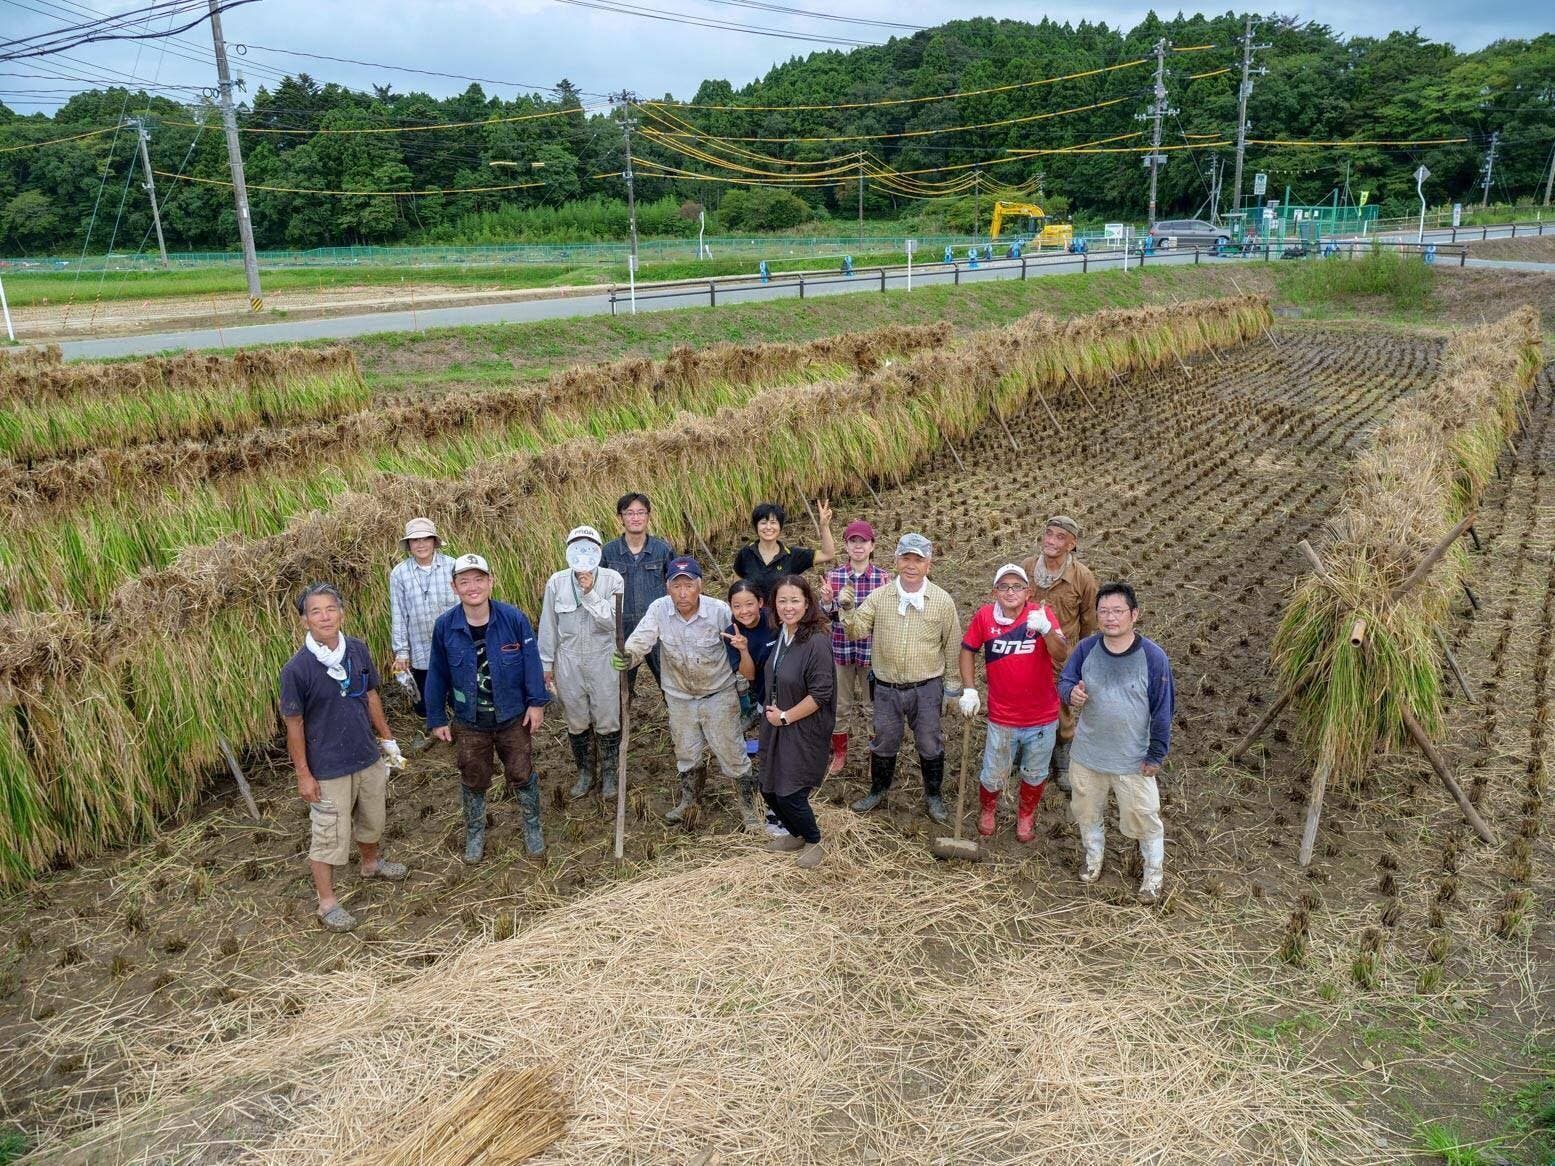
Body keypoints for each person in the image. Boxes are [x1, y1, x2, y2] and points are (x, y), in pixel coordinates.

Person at [280, 583, 408, 934]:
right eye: (315, 611)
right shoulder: (298, 669)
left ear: (342, 612)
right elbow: (295, 725)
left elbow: (370, 695)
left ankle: (371, 863)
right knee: (328, 836)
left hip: (366, 756)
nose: (324, 616)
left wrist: (387, 739)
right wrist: (304, 775)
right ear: (304, 620)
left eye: (330, 609)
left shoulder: (357, 650)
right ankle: (327, 902)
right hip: (328, 768)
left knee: (373, 818)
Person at [612, 555, 759, 829]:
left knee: (732, 754)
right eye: (676, 586)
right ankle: (689, 802)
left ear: (699, 585)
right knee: (687, 753)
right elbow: (641, 640)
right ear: (667, 587)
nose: (682, 593)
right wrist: (628, 655)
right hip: (679, 697)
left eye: (688, 586)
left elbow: (741, 646)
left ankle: (749, 808)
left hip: (718, 694)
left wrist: (744, 691)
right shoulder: (659, 609)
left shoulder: (719, 612)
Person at [425, 553, 549, 864]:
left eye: (479, 579)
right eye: (464, 582)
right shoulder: (445, 627)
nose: (472, 587)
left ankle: (532, 828)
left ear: (490, 582)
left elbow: (532, 664)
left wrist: (536, 703)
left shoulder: (513, 620)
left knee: (521, 772)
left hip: (512, 716)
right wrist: (437, 717)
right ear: (455, 588)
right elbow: (437, 672)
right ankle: (475, 832)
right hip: (470, 721)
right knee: (473, 776)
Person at [1058, 581, 1176, 903]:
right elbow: (1066, 680)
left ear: (1134, 615)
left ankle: (1153, 877)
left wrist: (1156, 754)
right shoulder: (1086, 649)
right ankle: (1092, 859)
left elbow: (1163, 711)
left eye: (1118, 611)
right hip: (1087, 756)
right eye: (1104, 612)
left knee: (1145, 819)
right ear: (1097, 616)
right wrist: (1072, 693)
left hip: (1132, 761)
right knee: (1086, 812)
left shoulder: (1153, 658)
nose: (1110, 618)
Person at [836, 532, 963, 823]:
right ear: (895, 561)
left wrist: (954, 688)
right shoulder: (879, 598)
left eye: (918, 559)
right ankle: (878, 790)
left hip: (927, 688)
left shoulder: (942, 602)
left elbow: (953, 645)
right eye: (906, 558)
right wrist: (846, 609)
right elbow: (857, 631)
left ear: (928, 565)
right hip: (886, 689)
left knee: (930, 743)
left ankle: (933, 796)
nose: (911, 565)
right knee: (884, 742)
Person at [957, 564, 1070, 842]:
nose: (1010, 592)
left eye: (1017, 586)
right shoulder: (985, 617)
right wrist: (970, 689)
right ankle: (988, 809)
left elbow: (1061, 655)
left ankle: (1026, 815)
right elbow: (968, 650)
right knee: (993, 772)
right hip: (1002, 717)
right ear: (995, 591)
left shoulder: (1042, 615)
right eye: (1004, 586)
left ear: (1028, 592)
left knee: (1035, 772)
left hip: (1042, 717)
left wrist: (1046, 630)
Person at [539, 526, 625, 801]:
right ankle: (586, 773)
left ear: (598, 551)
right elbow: (548, 626)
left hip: (603, 657)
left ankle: (610, 774)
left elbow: (613, 622)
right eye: (577, 547)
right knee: (576, 719)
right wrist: (547, 665)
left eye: (589, 547)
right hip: (569, 660)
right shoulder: (557, 582)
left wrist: (589, 593)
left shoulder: (613, 580)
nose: (583, 554)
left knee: (607, 717)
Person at [757, 576, 836, 869]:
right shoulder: (783, 635)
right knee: (767, 787)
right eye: (782, 601)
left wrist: (786, 716)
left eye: (795, 601)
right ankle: (796, 833)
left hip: (802, 726)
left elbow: (820, 694)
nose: (788, 607)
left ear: (807, 604)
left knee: (789, 791)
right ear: (774, 605)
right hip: (777, 724)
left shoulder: (816, 642)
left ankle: (814, 838)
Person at [1022, 515, 1098, 791]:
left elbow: (1089, 620)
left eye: (1060, 537)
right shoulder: (1028, 569)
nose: (1052, 541)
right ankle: (1025, 750)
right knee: (1027, 699)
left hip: (1061, 654)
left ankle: (1062, 756)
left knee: (1061, 704)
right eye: (1049, 534)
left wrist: (1077, 653)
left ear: (1072, 544)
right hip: (1028, 648)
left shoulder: (1082, 577)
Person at [821, 519, 891, 777]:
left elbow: (887, 616)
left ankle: (876, 754)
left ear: (872, 546)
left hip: (872, 652)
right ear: (846, 546)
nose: (858, 546)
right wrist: (827, 601)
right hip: (842, 649)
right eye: (853, 541)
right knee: (841, 704)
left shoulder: (884, 578)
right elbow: (827, 615)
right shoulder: (835, 576)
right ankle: (839, 754)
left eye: (863, 541)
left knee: (873, 705)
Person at [601, 492, 675, 698]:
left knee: (669, 680)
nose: (635, 517)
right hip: (620, 628)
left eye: (641, 512)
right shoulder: (608, 553)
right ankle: (619, 727)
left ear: (648, 516)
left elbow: (675, 585)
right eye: (629, 513)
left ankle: (679, 723)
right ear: (620, 517)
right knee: (620, 685)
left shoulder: (662, 550)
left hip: (656, 626)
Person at [388, 517, 456, 720]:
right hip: (421, 648)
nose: (421, 544)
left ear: (434, 541)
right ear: (409, 545)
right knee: (425, 705)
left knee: (458, 697)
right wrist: (401, 652)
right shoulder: (399, 574)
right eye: (415, 540)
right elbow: (399, 613)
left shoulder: (452, 566)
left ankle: (459, 727)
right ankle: (432, 727)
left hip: (453, 645)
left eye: (426, 539)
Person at [732, 500, 836, 600]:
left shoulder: (792, 556)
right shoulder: (746, 554)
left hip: (783, 615)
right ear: (756, 527)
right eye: (763, 523)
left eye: (773, 522)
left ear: (780, 527)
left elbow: (827, 554)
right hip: (754, 615)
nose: (768, 527)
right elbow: (736, 589)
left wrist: (824, 526)